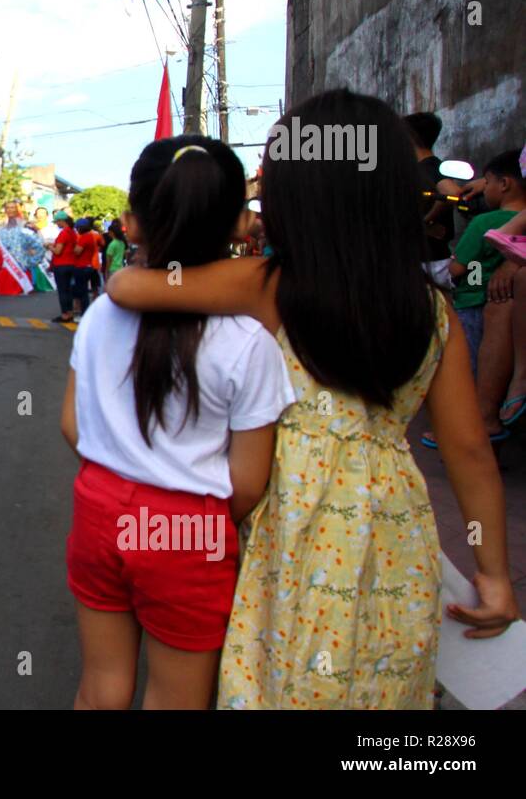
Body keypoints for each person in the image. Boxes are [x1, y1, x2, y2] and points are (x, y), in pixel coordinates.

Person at [107, 89, 519, 708]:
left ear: (294, 200)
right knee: (382, 682)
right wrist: (493, 574)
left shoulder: (265, 285)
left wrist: (120, 271)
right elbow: (468, 451)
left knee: (283, 677)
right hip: (395, 532)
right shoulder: (432, 312)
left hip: (292, 526)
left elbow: (133, 288)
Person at [62, 135, 292, 709]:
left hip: (98, 506)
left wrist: (123, 480)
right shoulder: (250, 344)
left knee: (101, 686)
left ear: (131, 225)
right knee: (176, 698)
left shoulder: (98, 315)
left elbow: (71, 424)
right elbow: (247, 483)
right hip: (191, 529)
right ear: (241, 224)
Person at [419, 149, 526, 448]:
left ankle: (460, 427)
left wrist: (457, 263)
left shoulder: (483, 223)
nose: (485, 187)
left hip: (470, 304)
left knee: (465, 369)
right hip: (496, 301)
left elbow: (458, 268)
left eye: (488, 182)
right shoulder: (518, 218)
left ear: (504, 185)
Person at [407, 111, 458, 288]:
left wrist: (426, 220)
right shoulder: (431, 166)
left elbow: (453, 193)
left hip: (430, 262)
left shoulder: (428, 168)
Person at [0, 200, 44, 296]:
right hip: (5, 267)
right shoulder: (0, 228)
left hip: (21, 267)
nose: (10, 210)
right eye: (7, 208)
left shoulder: (26, 226)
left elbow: (38, 244)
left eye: (12, 207)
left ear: (17, 209)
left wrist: (32, 261)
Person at [50, 211, 80, 322]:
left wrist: (49, 246)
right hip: (71, 264)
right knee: (68, 290)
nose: (56, 224)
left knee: (62, 291)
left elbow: (58, 251)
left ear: (62, 221)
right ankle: (70, 312)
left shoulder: (64, 233)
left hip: (61, 265)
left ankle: (65, 314)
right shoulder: (73, 232)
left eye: (57, 222)